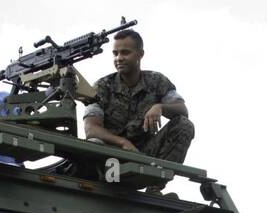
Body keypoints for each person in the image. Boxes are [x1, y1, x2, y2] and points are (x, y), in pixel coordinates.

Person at [82, 29, 195, 175]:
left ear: (140, 54)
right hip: (111, 156)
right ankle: (100, 183)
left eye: (125, 52)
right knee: (94, 143)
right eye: (115, 54)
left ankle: (155, 184)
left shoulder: (156, 81)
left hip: (145, 155)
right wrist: (122, 142)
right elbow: (91, 129)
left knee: (184, 125)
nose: (119, 58)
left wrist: (160, 107)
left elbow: (182, 111)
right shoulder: (102, 86)